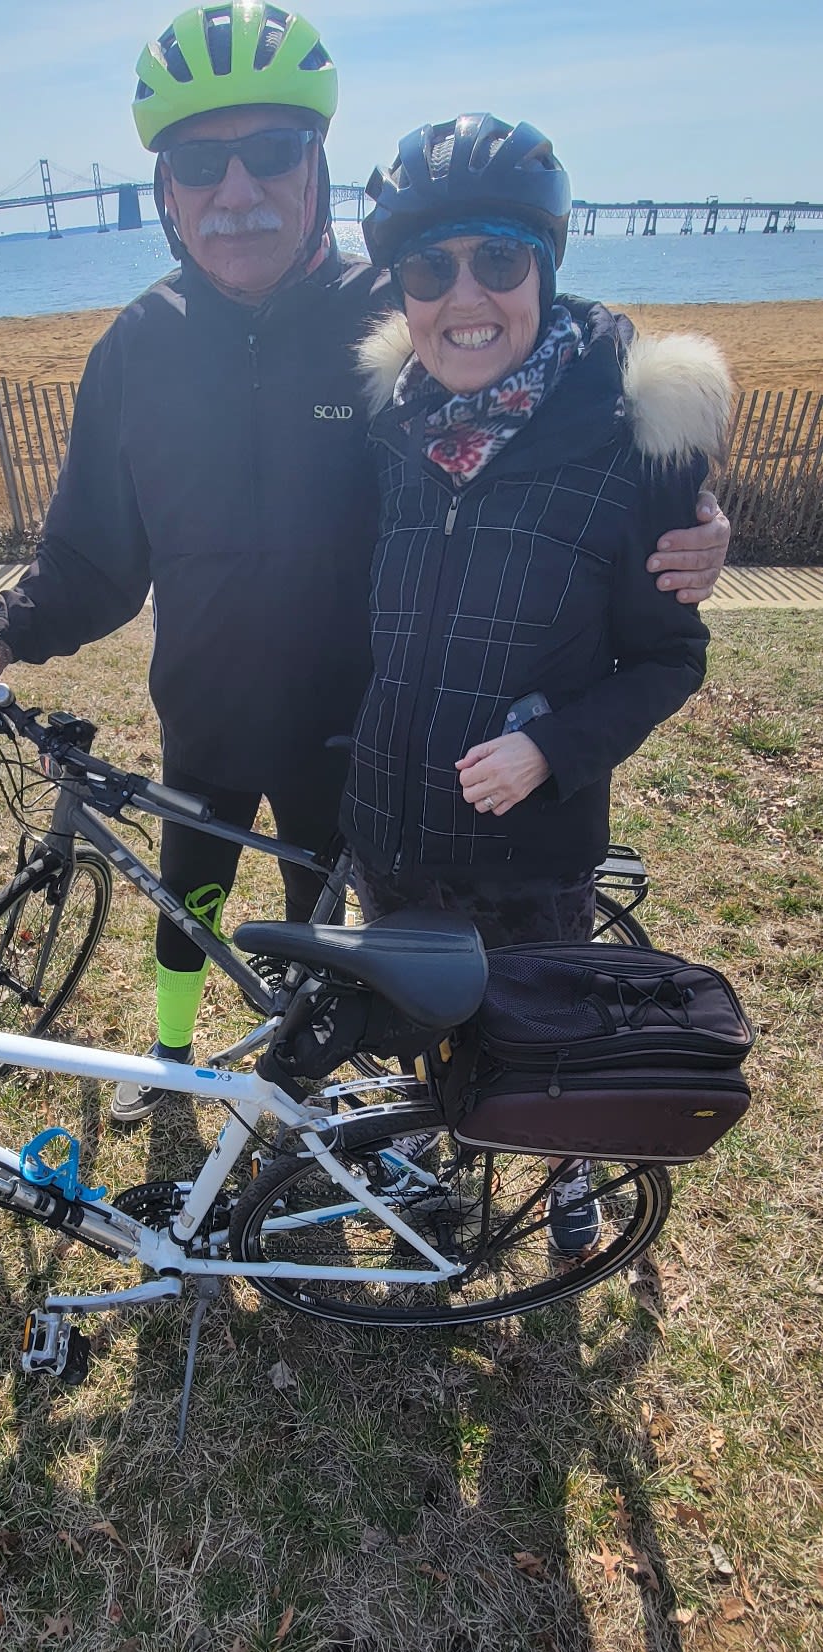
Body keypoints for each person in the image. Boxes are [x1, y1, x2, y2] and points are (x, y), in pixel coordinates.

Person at [0, 5, 731, 1128]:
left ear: (318, 168)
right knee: (187, 895)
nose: (237, 188)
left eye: (270, 152)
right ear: (164, 192)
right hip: (205, 702)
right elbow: (92, 553)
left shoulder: (398, 314)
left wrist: (686, 484)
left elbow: (565, 375)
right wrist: (2, 632)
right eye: (201, 162)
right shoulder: (136, 348)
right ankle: (170, 1067)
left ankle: (335, 1084)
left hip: (362, 728)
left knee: (336, 931)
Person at [341, 113, 732, 1254]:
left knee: (539, 1023)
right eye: (430, 265)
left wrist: (553, 747)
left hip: (534, 843)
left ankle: (565, 1168)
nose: (466, 293)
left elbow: (671, 656)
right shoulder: (388, 429)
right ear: (404, 293)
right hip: (391, 817)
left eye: (498, 259)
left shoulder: (635, 444)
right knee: (421, 1011)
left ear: (544, 266)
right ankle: (426, 1134)